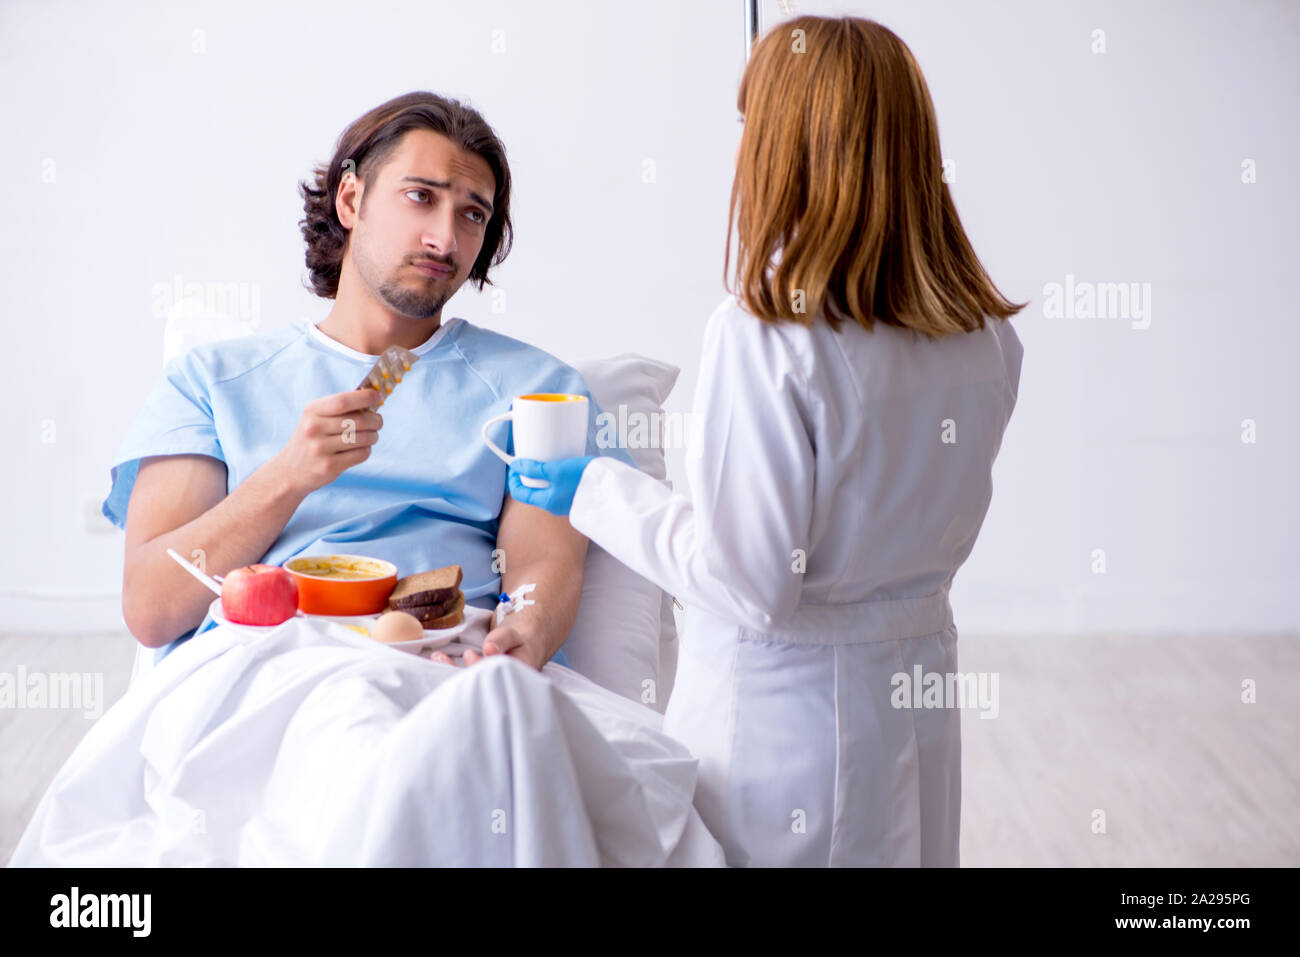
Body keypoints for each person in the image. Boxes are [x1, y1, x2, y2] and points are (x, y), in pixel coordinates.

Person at [506, 16, 1026, 866]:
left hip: (789, 727)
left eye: (753, 124)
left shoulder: (770, 332)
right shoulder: (983, 336)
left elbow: (750, 582)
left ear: (789, 141)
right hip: (918, 695)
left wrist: (593, 488)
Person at [106, 92, 633, 672]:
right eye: (420, 197)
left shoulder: (538, 390)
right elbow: (152, 609)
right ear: (351, 199)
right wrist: (287, 478)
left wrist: (522, 641)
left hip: (450, 666)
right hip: (269, 667)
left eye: (472, 214)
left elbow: (542, 566)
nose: (445, 240)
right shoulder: (211, 381)